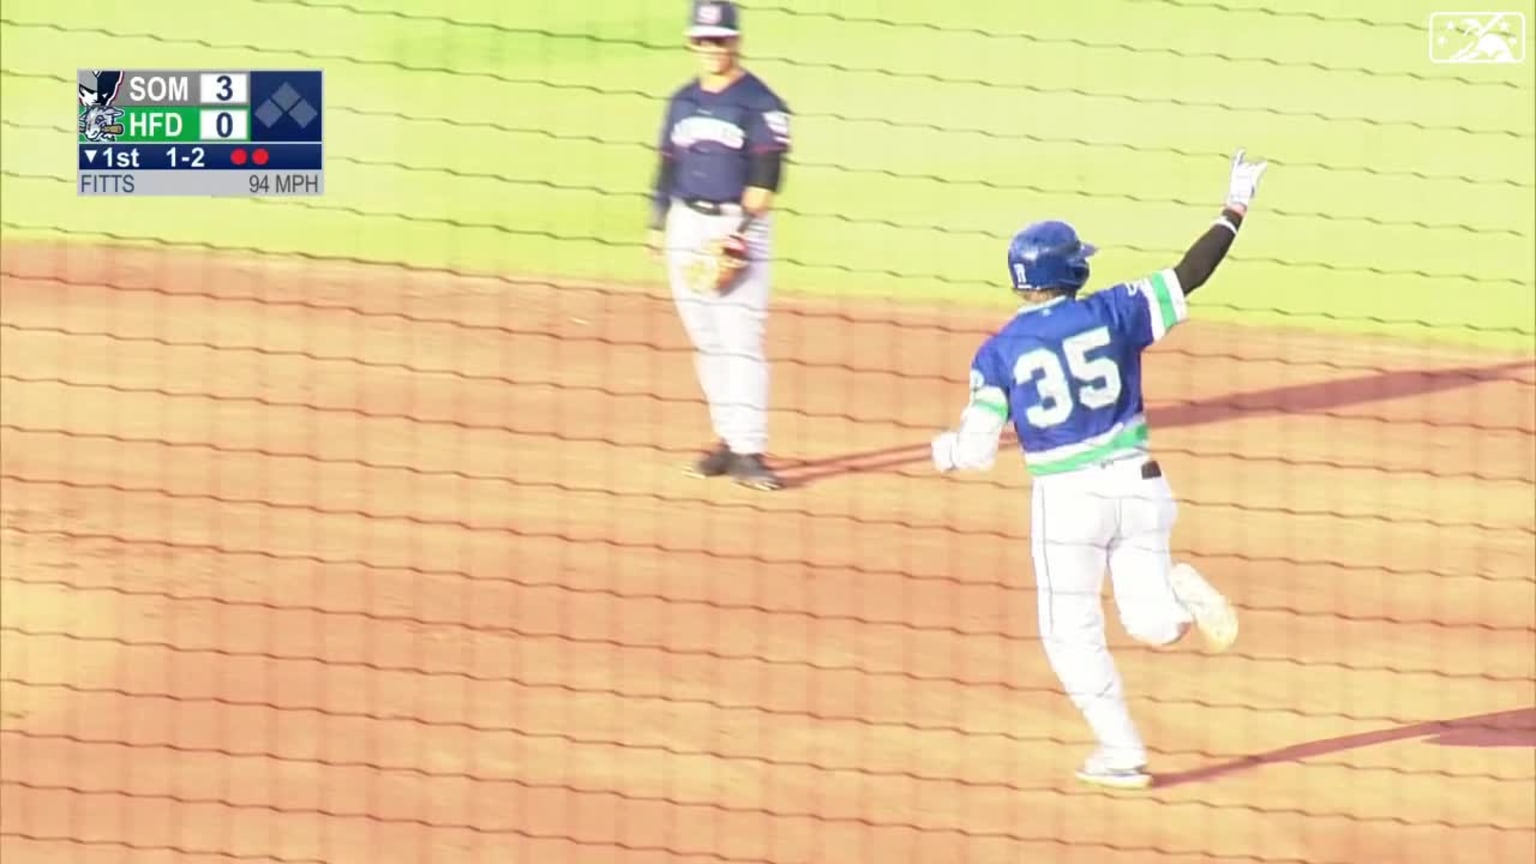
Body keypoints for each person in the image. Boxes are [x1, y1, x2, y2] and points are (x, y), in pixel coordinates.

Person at [930, 150, 1270, 790]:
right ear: (1072, 270)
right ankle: (1179, 593)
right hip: (1143, 488)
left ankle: (1122, 754)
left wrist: (944, 451)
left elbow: (976, 451)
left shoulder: (999, 350)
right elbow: (1188, 274)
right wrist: (1235, 206)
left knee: (1069, 634)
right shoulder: (1117, 309)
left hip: (1068, 503)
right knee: (1151, 623)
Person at [648, 0, 792, 491]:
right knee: (707, 339)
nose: (713, 48)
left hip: (736, 225)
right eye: (705, 40)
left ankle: (750, 450)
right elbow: (667, 166)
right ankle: (728, 442)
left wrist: (739, 234)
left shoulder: (761, 104)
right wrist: (656, 224)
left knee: (741, 341)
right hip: (686, 226)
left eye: (722, 39)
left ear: (737, 42)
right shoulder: (681, 101)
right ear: (692, 42)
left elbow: (767, 179)